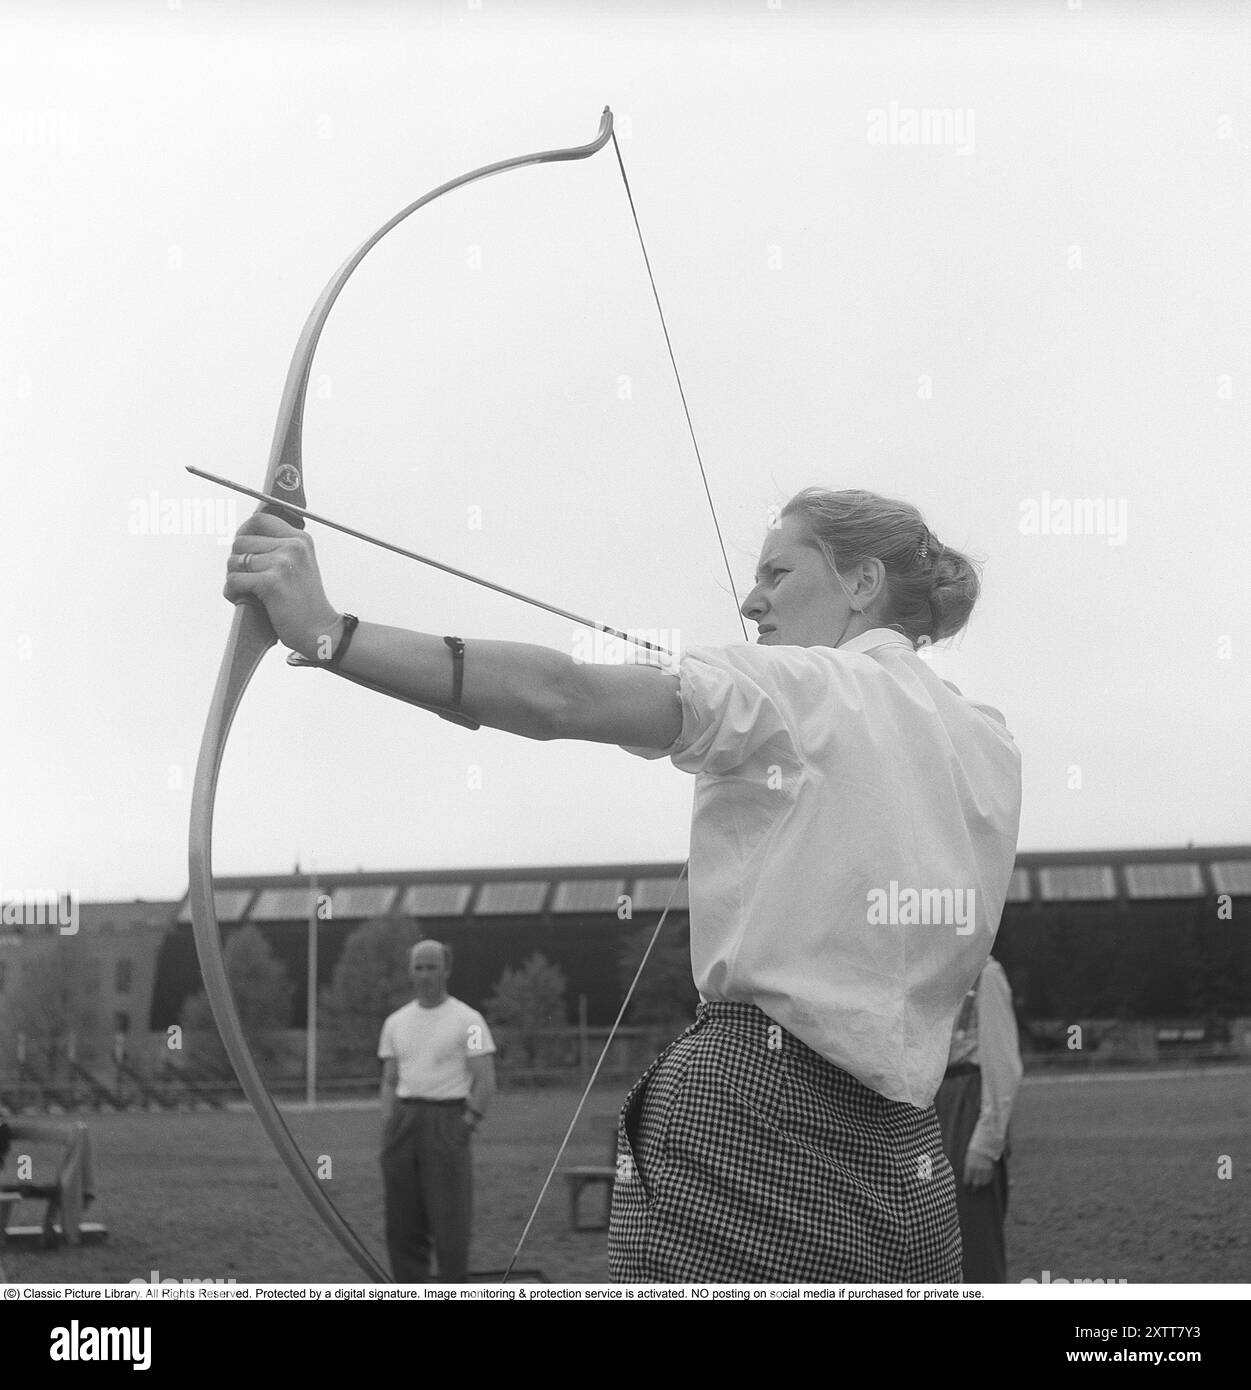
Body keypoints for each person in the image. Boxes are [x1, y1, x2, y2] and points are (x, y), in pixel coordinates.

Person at [223, 484, 1022, 1283]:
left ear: (861, 582)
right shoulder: (988, 741)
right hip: (910, 1160)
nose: (751, 602)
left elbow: (561, 695)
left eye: (777, 574)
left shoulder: (801, 685)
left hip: (750, 1115)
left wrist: (330, 633)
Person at [377, 940, 496, 1281]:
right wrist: (389, 1122)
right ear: (410, 971)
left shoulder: (468, 1020)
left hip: (447, 1121)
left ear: (446, 970)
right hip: (403, 1123)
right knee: (402, 1222)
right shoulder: (396, 1023)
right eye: (419, 967)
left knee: (450, 1222)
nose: (425, 974)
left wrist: (467, 1123)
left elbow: (485, 1080)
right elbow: (388, 1081)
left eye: (432, 967)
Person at [935, 954, 1023, 1282]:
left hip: (966, 1103)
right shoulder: (927, 969)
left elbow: (1003, 1065)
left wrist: (985, 1144)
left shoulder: (986, 973)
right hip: (929, 1105)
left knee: (974, 1241)